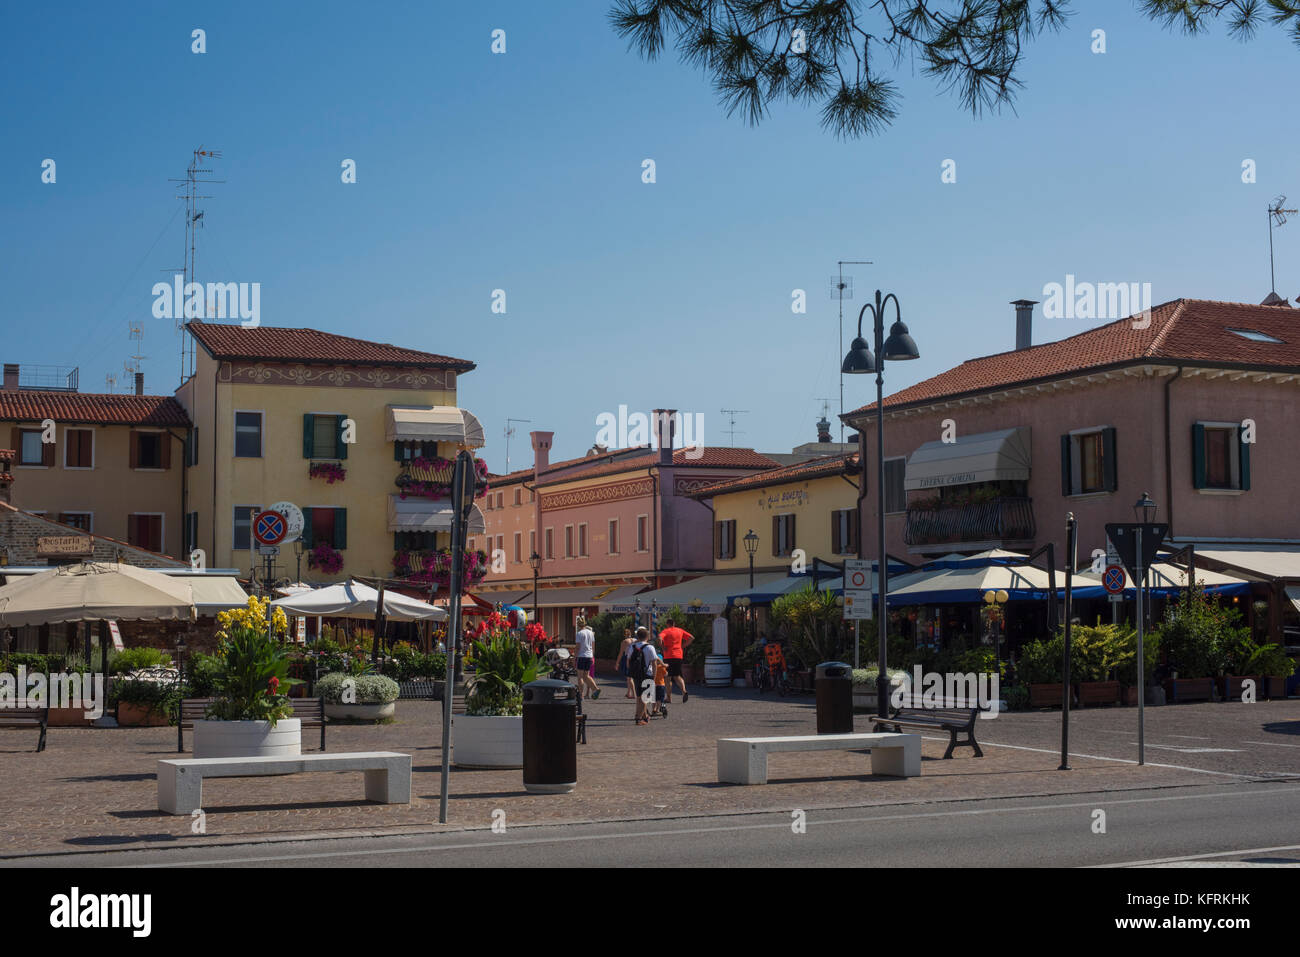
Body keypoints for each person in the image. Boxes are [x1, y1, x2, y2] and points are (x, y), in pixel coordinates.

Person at [628, 627, 659, 725]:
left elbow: (628, 661)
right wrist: (654, 676)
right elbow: (654, 663)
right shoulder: (650, 647)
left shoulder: (632, 647)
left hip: (636, 674)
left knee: (639, 696)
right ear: (647, 636)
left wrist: (632, 672)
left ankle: (643, 716)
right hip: (647, 674)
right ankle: (638, 718)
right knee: (646, 698)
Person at [657, 622, 693, 704]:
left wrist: (663, 647)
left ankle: (669, 698)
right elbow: (691, 638)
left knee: (667, 677)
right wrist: (683, 646)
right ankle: (684, 691)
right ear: (674, 624)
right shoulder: (680, 630)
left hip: (668, 656)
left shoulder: (665, 631)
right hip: (678, 655)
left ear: (667, 624)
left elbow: (659, 638)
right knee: (677, 675)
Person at [574, 619, 600, 699]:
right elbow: (593, 646)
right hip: (589, 656)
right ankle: (595, 689)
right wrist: (592, 656)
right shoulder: (591, 633)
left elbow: (578, 647)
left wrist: (575, 657)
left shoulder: (579, 633)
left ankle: (580, 695)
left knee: (580, 677)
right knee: (586, 676)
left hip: (582, 656)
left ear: (578, 625)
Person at [617, 627, 636, 698]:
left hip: (627, 659)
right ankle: (629, 693)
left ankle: (634, 694)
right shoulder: (635, 640)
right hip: (634, 659)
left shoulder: (625, 641)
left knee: (629, 677)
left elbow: (621, 653)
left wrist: (617, 663)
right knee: (629, 677)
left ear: (624, 634)